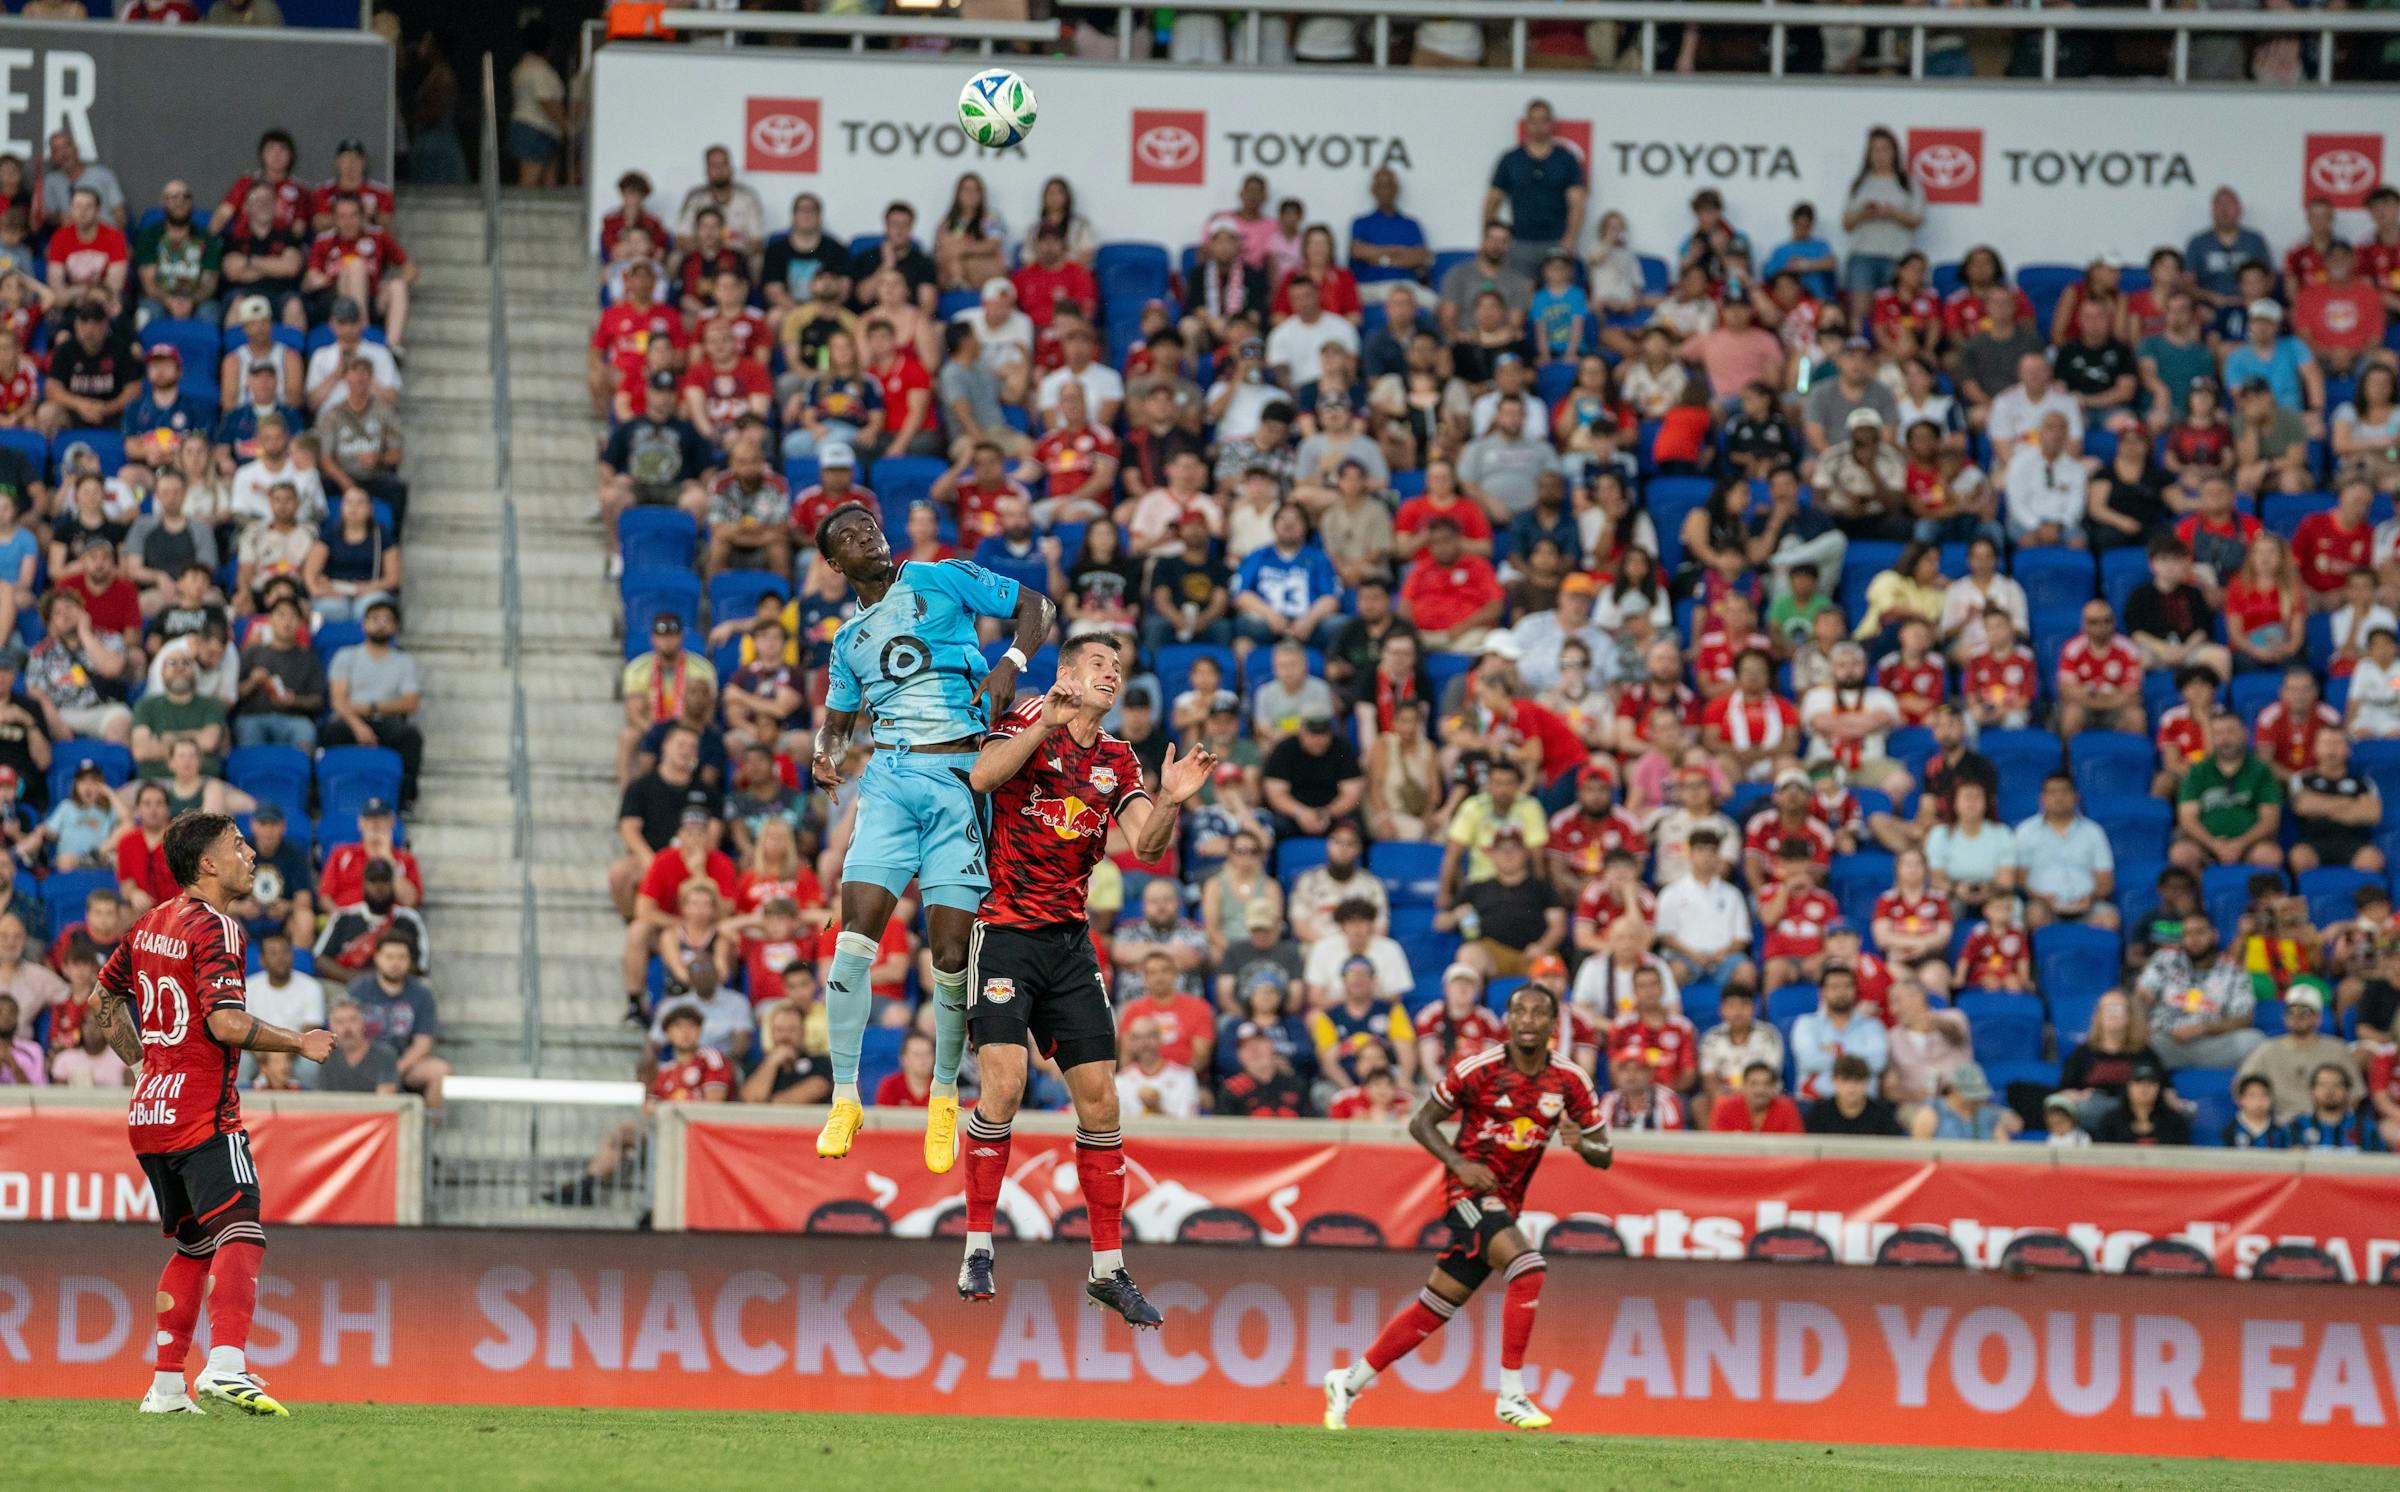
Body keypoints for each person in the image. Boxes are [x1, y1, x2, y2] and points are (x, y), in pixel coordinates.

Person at [954, 637, 1211, 1319]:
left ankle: (1108, 1268)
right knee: (1003, 1085)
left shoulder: (1118, 757)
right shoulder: (1027, 716)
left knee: (1102, 1104)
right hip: (1004, 928)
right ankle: (978, 1242)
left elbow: (1146, 849)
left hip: (1069, 943)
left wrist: (1173, 801)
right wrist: (1044, 721)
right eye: (1100, 665)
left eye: (1118, 668)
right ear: (1068, 673)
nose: (1112, 675)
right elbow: (982, 778)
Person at [806, 504, 1053, 1167]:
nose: (869, 539)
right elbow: (838, 719)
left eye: (871, 528)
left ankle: (944, 1095)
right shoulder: (847, 640)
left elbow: (1039, 605)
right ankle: (844, 1097)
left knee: (949, 952)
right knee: (854, 936)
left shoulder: (942, 578)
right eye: (851, 538)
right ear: (834, 565)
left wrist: (1013, 661)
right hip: (886, 779)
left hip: (959, 776)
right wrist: (825, 751)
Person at [92, 810, 334, 1416]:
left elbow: (102, 997)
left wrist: (142, 1067)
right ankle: (226, 1364)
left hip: (150, 1112)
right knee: (242, 1226)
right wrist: (297, 1042)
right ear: (207, 863)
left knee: (197, 1244)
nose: (250, 854)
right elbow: (223, 1022)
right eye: (238, 844)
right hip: (203, 1109)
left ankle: (167, 1385)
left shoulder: (149, 923)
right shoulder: (218, 927)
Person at [1323, 984, 1607, 1433]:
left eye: (1539, 1013)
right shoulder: (1480, 1069)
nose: (1528, 1020)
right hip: (1465, 1195)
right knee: (1528, 1268)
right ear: (1507, 1021)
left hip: (1505, 1203)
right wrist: (1459, 1163)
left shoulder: (1570, 1080)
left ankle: (1349, 1380)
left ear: (1554, 1025)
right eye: (1520, 1011)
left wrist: (1582, 1144)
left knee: (1436, 1304)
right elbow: (1421, 1122)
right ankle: (1511, 1394)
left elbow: (1604, 1153)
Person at [2091, 1056, 2192, 1146]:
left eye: (2151, 1083)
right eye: (2138, 1082)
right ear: (2128, 1087)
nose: (2144, 1088)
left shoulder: (2175, 1123)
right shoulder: (2110, 1122)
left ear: (2159, 1088)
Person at [1910, 1060, 2022, 1142]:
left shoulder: (1989, 1115)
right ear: (1953, 1088)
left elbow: (2003, 1150)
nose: (1974, 1099)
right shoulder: (1931, 1113)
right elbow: (1920, 1157)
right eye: (1970, 1093)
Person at [1804, 1051, 1905, 1135]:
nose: (1851, 1087)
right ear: (1834, 1081)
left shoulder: (1883, 1114)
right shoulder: (1819, 1113)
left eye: (1857, 1081)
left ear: (1866, 1082)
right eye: (1845, 1080)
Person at [1709, 1061, 1803, 1134]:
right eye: (1754, 1084)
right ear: (1743, 1086)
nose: (1760, 1090)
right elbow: (1717, 1146)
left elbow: (1795, 1147)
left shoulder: (1787, 1108)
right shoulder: (1725, 1107)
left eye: (1767, 1084)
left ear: (1774, 1087)